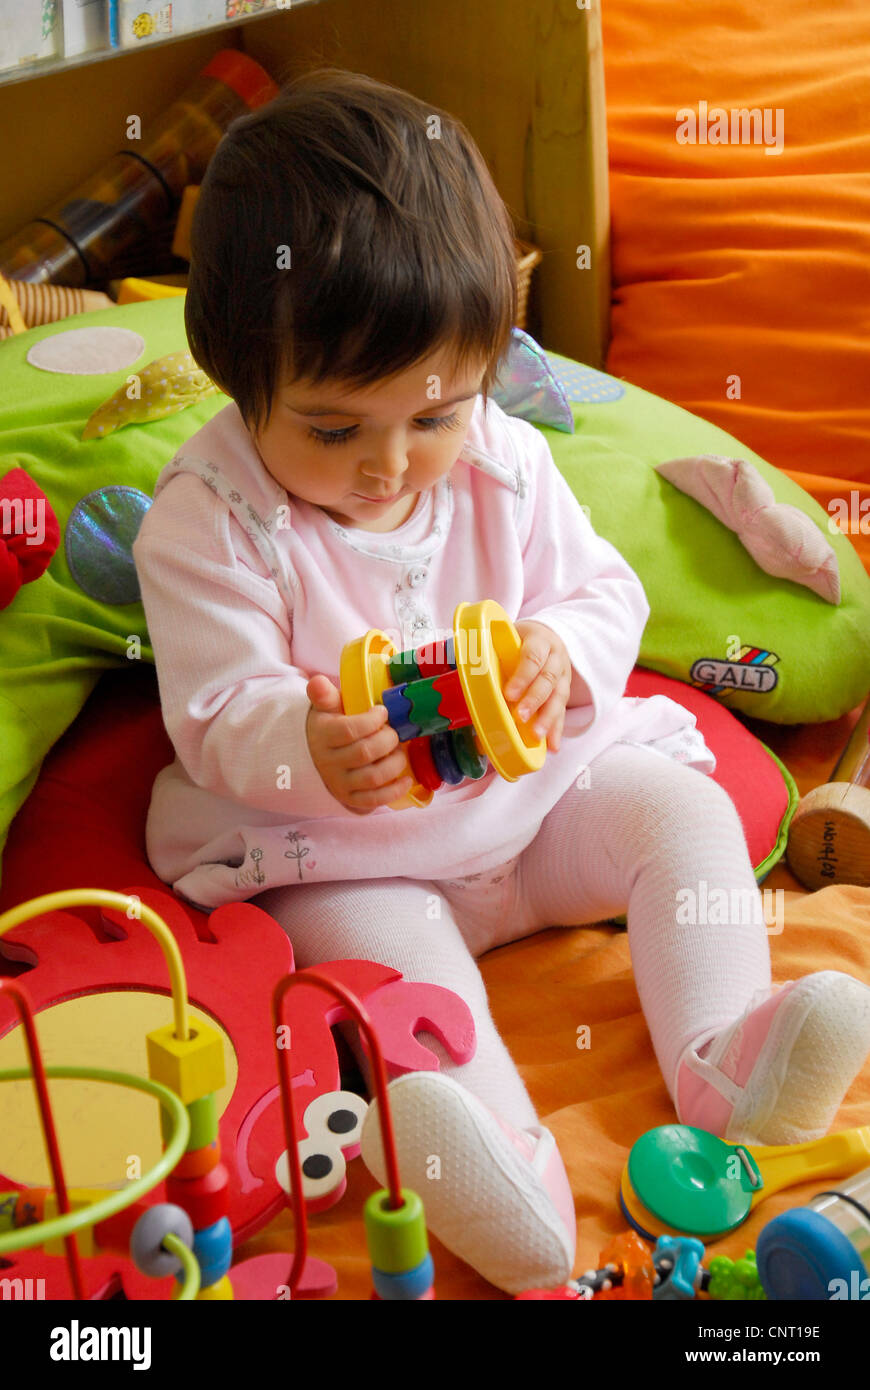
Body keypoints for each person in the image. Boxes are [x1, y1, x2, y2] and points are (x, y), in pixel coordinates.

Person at [132, 67, 870, 1295]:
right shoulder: (211, 521)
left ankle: (722, 1056)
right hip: (352, 854)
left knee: (676, 807)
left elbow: (604, 596)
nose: (388, 468)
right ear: (236, 380)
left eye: (431, 417)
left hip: (535, 818)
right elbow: (211, 714)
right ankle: (508, 1176)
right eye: (331, 430)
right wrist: (302, 748)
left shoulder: (505, 463)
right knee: (399, 970)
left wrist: (559, 655)